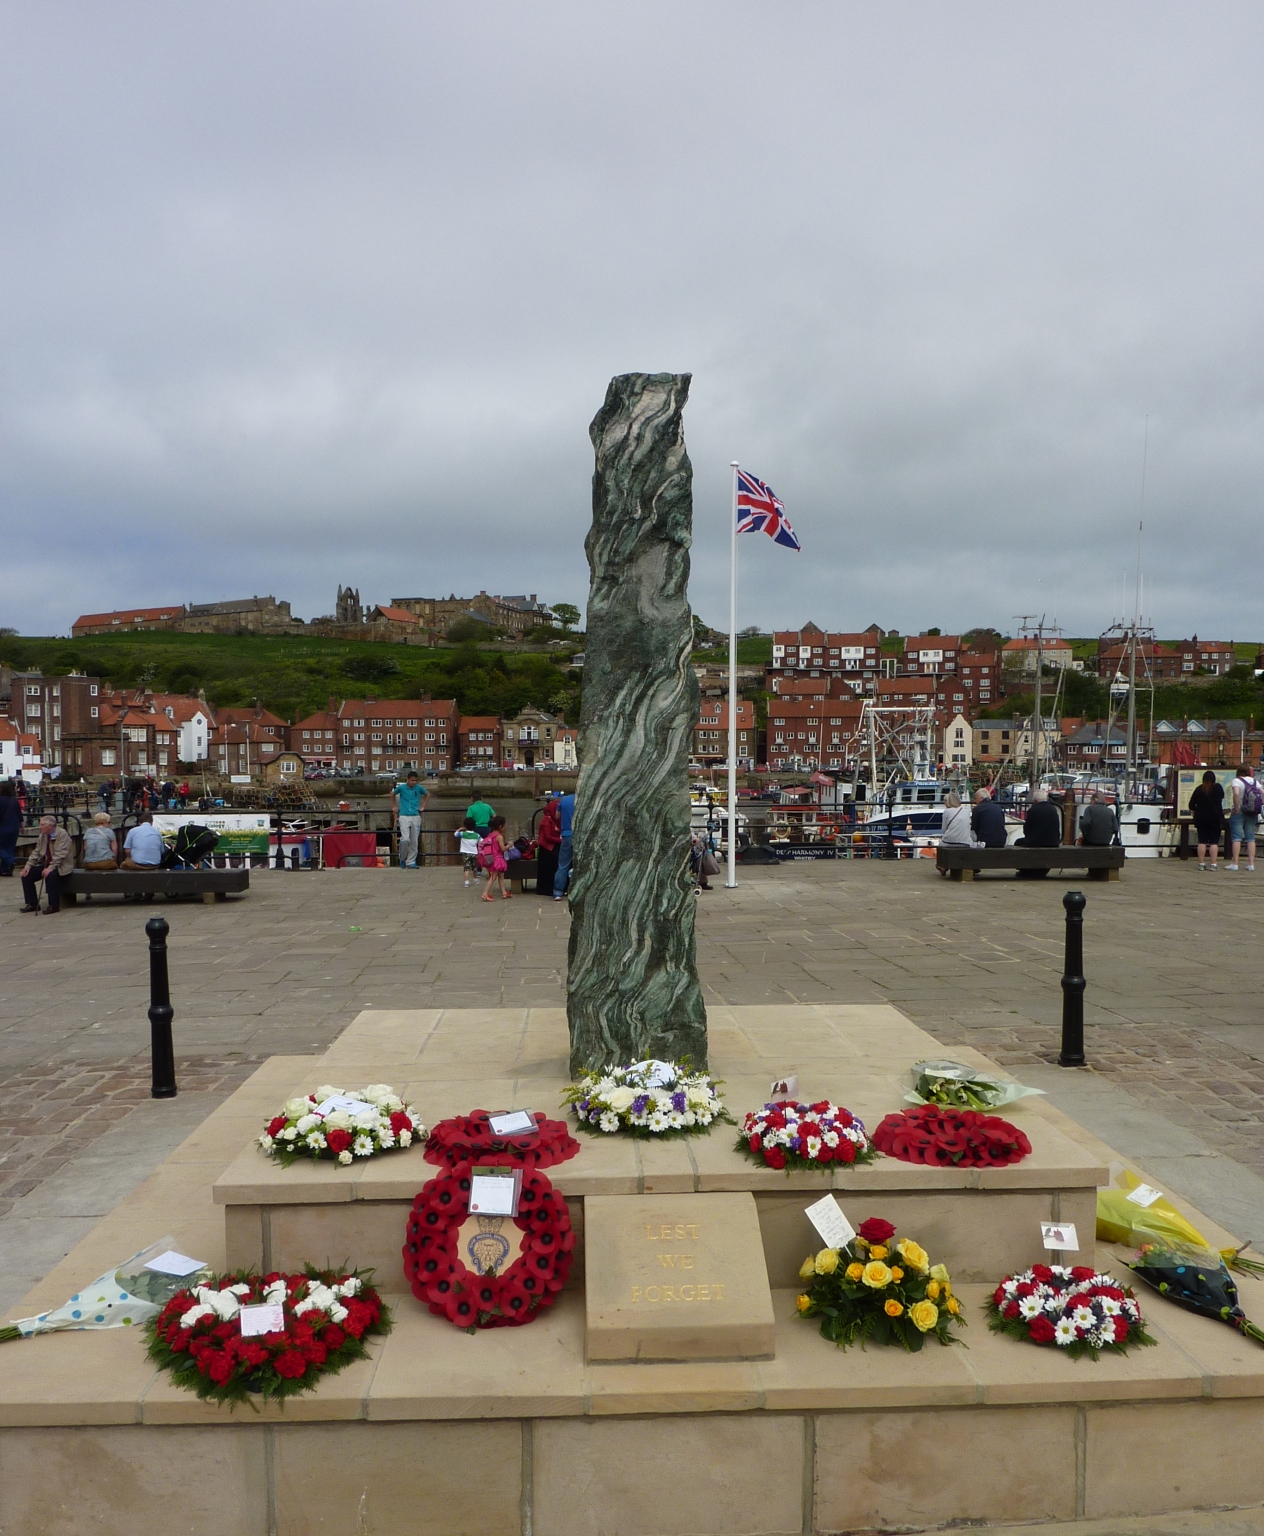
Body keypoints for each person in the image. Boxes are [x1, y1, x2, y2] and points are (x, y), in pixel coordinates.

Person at [20, 815, 74, 915]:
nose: (40, 827)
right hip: (45, 863)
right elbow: (36, 852)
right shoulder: (43, 835)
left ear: (51, 826)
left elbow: (60, 854)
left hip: (60, 865)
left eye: (42, 824)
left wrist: (50, 868)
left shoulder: (62, 834)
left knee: (51, 876)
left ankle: (53, 905)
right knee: (26, 875)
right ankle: (32, 903)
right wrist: (28, 866)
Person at [1227, 763, 1261, 872]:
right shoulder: (1255, 781)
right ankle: (1251, 864)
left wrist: (1237, 807)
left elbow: (1236, 793)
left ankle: (1235, 863)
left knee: (1237, 837)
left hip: (1240, 810)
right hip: (1252, 811)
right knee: (1251, 837)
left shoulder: (1236, 781)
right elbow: (1263, 793)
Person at [1188, 770, 1225, 870]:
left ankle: (1201, 863)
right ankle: (1213, 864)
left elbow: (1191, 805)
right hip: (1215, 818)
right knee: (1214, 842)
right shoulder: (1218, 788)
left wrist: (1194, 814)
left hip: (1201, 818)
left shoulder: (1199, 789)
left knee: (1202, 841)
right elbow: (1222, 796)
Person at [392, 770, 428, 869]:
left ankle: (411, 861)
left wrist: (423, 806)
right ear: (407, 780)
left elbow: (427, 794)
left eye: (415, 780)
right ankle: (402, 858)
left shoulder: (419, 788)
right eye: (412, 780)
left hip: (415, 815)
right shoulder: (402, 787)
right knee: (405, 839)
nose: (414, 782)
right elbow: (392, 794)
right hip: (404, 815)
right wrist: (394, 806)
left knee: (414, 841)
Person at [479, 815, 511, 901]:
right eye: (504, 826)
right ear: (501, 826)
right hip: (498, 859)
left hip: (492, 858)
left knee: (500, 876)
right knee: (493, 877)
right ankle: (485, 894)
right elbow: (503, 849)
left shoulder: (491, 835)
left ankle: (504, 893)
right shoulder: (499, 836)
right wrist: (509, 845)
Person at [535, 797, 561, 897]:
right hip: (547, 848)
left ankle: (549, 887)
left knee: (549, 869)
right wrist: (561, 840)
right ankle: (546, 889)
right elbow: (548, 837)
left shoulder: (553, 820)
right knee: (548, 869)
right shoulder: (546, 821)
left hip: (550, 847)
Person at [552, 791, 576, 900]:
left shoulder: (564, 800)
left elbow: (557, 816)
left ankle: (558, 892)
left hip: (566, 834)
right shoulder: (583, 799)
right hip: (580, 835)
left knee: (563, 865)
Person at [454, 816, 481, 887]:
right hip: (474, 853)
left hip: (465, 853)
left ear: (465, 826)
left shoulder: (463, 834)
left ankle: (466, 882)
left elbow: (455, 834)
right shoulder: (477, 835)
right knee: (474, 867)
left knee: (466, 868)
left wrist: (460, 829)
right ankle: (475, 879)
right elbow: (482, 841)